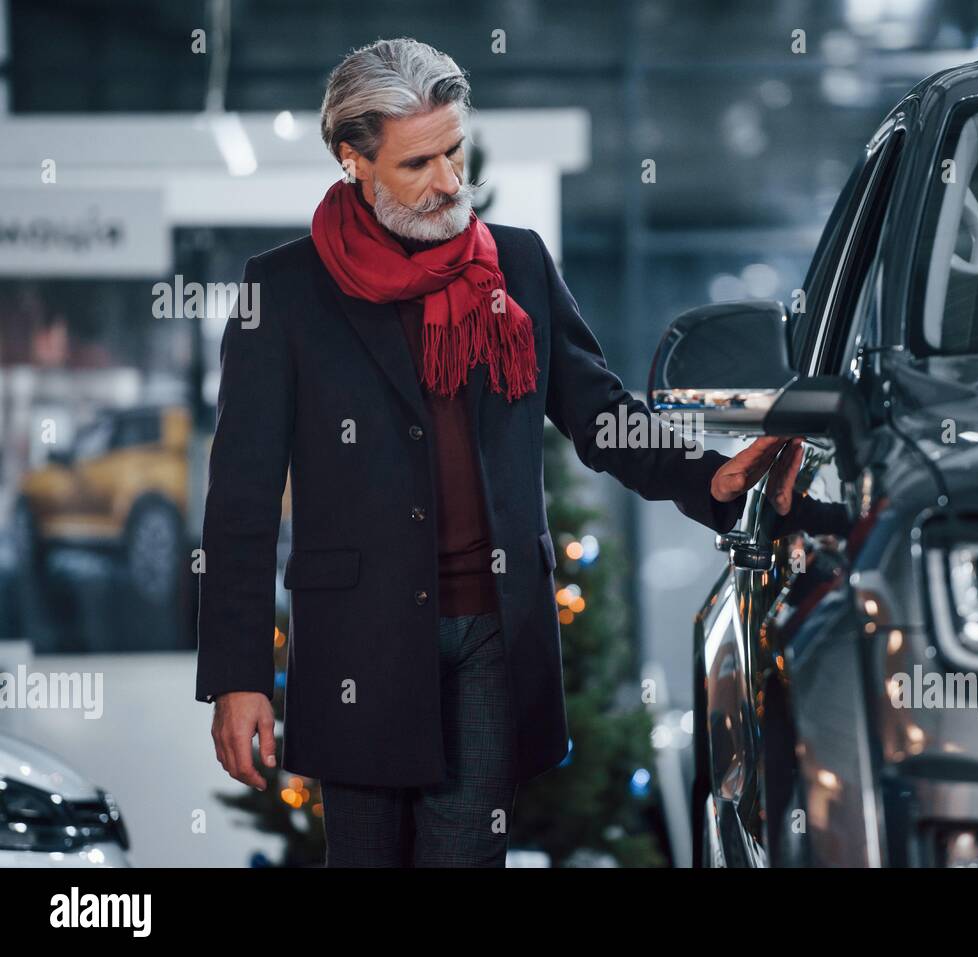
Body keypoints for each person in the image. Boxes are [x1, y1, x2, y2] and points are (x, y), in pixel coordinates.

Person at [195, 37, 801, 867]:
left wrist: (710, 475)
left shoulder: (515, 263)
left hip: (493, 632)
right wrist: (238, 676)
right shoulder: (283, 292)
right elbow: (240, 500)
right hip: (356, 643)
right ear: (353, 160)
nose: (449, 181)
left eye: (455, 150)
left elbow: (600, 414)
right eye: (419, 162)